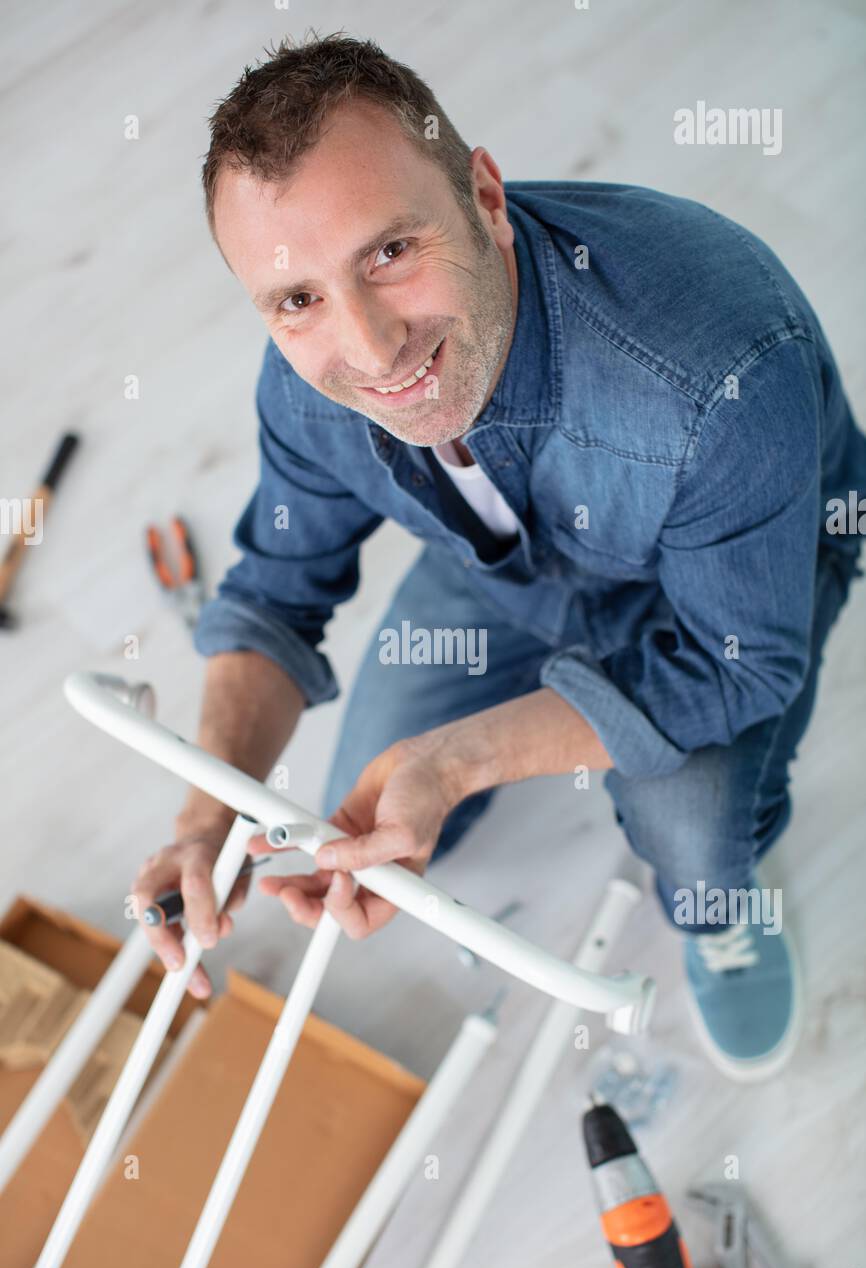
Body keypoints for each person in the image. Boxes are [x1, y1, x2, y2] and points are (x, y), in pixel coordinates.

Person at [130, 33, 866, 1083]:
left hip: (719, 601)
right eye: (297, 298)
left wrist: (461, 755)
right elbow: (274, 596)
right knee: (354, 804)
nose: (372, 349)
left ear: (482, 195)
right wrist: (206, 816)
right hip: (509, 571)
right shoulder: (308, 375)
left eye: (390, 252)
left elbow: (737, 666)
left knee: (688, 834)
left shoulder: (715, 372)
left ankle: (720, 903)